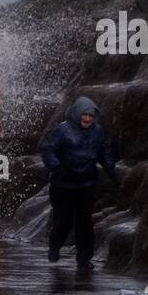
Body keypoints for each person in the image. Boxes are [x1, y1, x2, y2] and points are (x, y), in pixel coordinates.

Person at [39, 95, 119, 268]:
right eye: (85, 115)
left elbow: (104, 153)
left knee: (85, 222)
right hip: (63, 184)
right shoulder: (62, 130)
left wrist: (111, 171)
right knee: (63, 220)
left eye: (91, 116)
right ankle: (55, 246)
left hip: (86, 184)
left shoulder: (97, 131)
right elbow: (48, 149)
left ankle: (84, 258)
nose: (88, 118)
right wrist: (57, 167)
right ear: (77, 114)